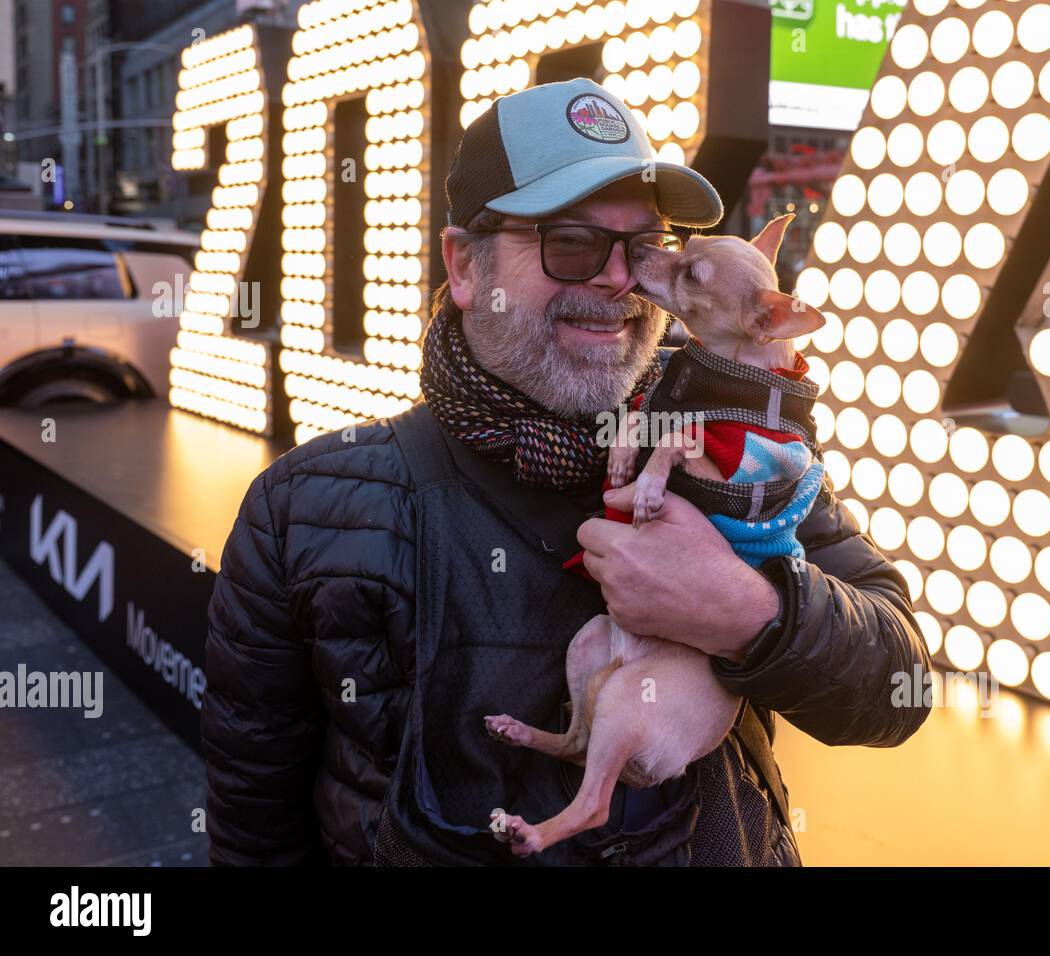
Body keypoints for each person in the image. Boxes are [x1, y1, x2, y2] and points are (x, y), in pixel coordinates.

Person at [201, 76, 933, 866]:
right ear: (466, 268)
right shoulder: (306, 508)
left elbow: (901, 688)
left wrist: (749, 614)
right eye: (571, 244)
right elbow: (255, 826)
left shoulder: (737, 449)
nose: (620, 280)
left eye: (646, 247)